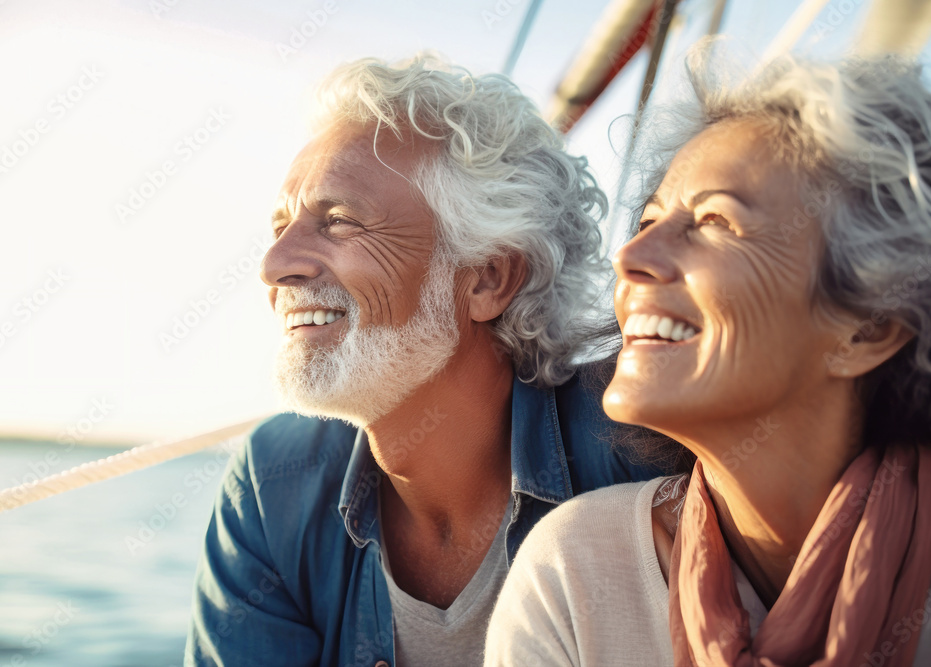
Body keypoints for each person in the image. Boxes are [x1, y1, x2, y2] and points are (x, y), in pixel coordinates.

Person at [185, 54, 664, 667]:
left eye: (338, 222)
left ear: (488, 278)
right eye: (281, 225)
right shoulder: (272, 482)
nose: (275, 265)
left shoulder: (642, 446)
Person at [484, 47, 931, 667]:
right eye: (648, 219)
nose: (631, 256)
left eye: (715, 222)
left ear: (870, 326)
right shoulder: (575, 570)